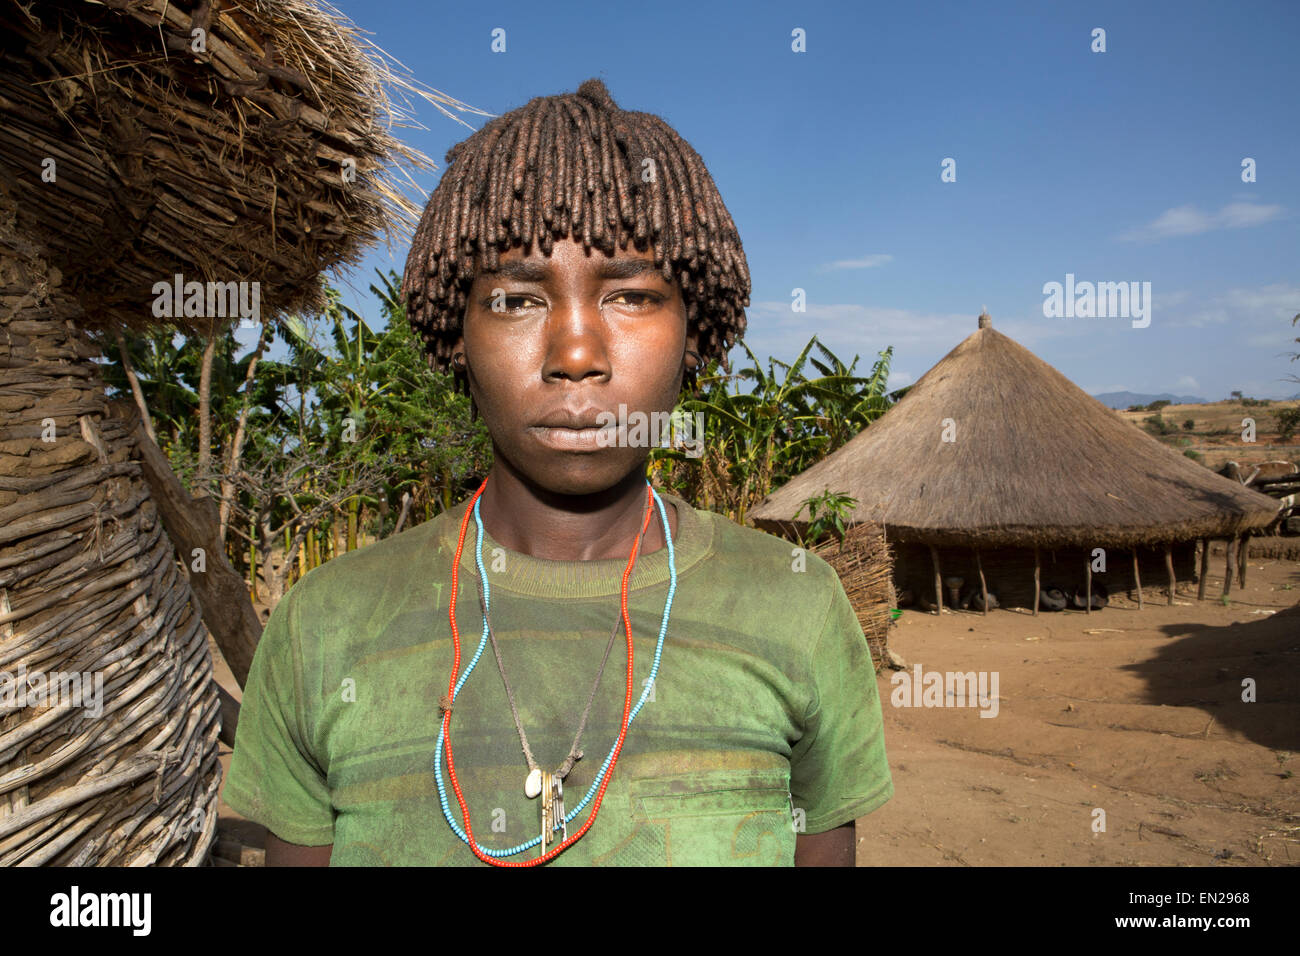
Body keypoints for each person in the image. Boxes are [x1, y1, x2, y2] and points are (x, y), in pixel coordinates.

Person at [223, 78, 892, 866]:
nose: (576, 355)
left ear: (694, 335)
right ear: (455, 334)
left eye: (634, 296)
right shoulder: (322, 627)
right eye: (514, 300)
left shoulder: (798, 608)